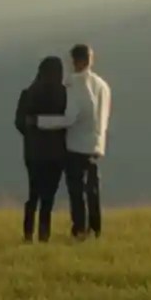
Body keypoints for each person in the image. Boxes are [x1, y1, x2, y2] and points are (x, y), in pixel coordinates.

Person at [34, 43, 112, 240]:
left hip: (77, 145)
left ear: (78, 61)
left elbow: (70, 118)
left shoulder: (76, 83)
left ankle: (80, 229)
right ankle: (96, 229)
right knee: (93, 190)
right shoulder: (103, 85)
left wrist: (40, 122)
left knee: (77, 191)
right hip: (97, 145)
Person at [14, 56, 67, 242]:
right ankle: (44, 234)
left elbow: (19, 123)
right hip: (56, 153)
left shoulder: (28, 93)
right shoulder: (64, 94)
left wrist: (32, 134)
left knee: (33, 193)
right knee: (48, 197)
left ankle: (28, 233)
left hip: (33, 153)